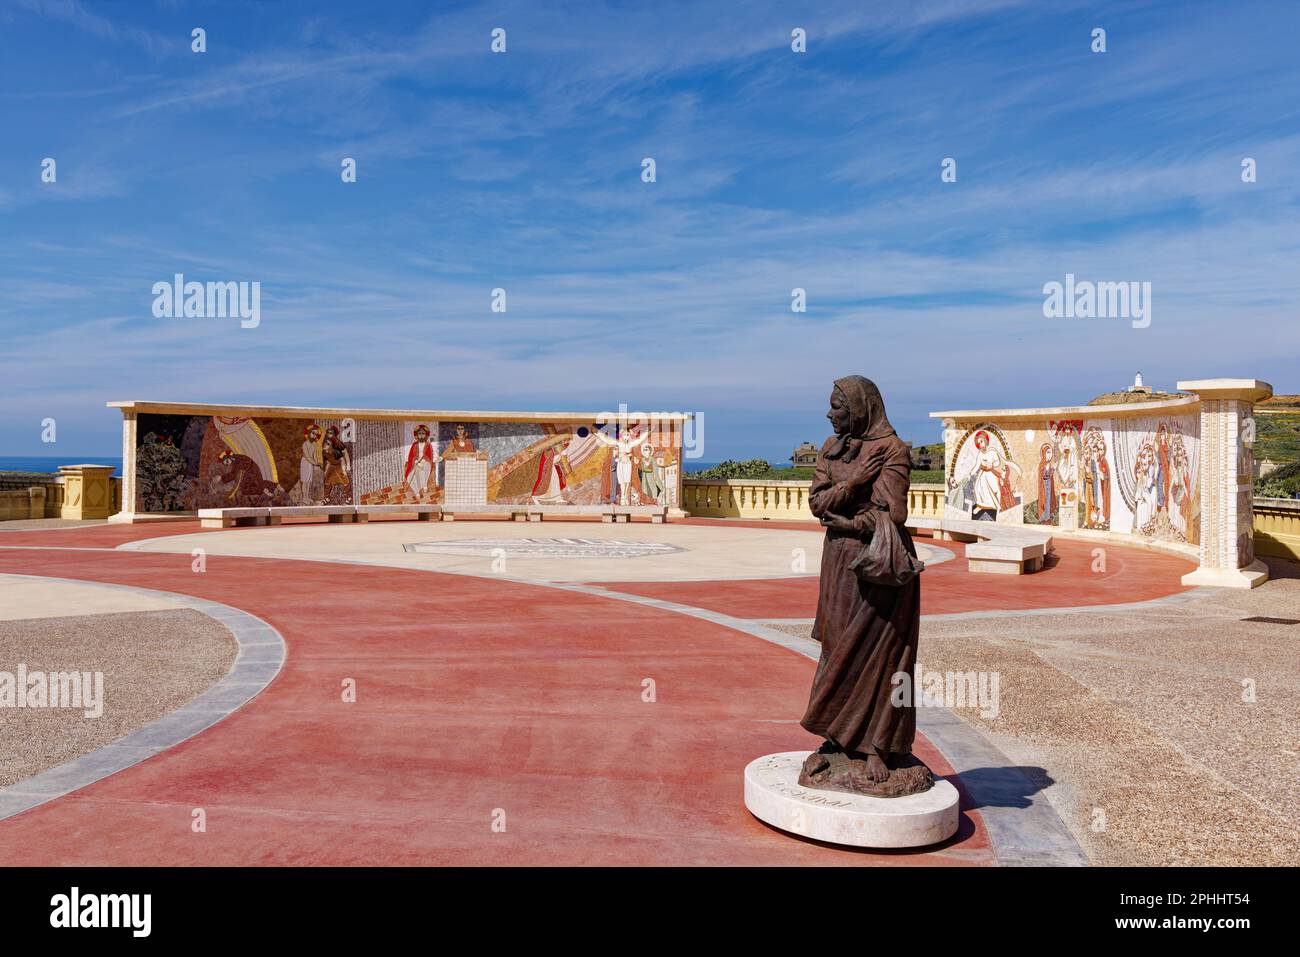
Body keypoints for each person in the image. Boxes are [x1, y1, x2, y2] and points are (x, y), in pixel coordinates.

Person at [801, 375, 920, 784]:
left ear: (860, 409)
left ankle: (878, 746)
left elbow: (893, 515)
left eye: (837, 408)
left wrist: (845, 518)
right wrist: (854, 484)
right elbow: (816, 504)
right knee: (837, 648)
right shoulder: (832, 448)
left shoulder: (892, 450)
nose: (829, 414)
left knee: (883, 656)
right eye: (831, 407)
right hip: (838, 562)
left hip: (878, 566)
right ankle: (834, 740)